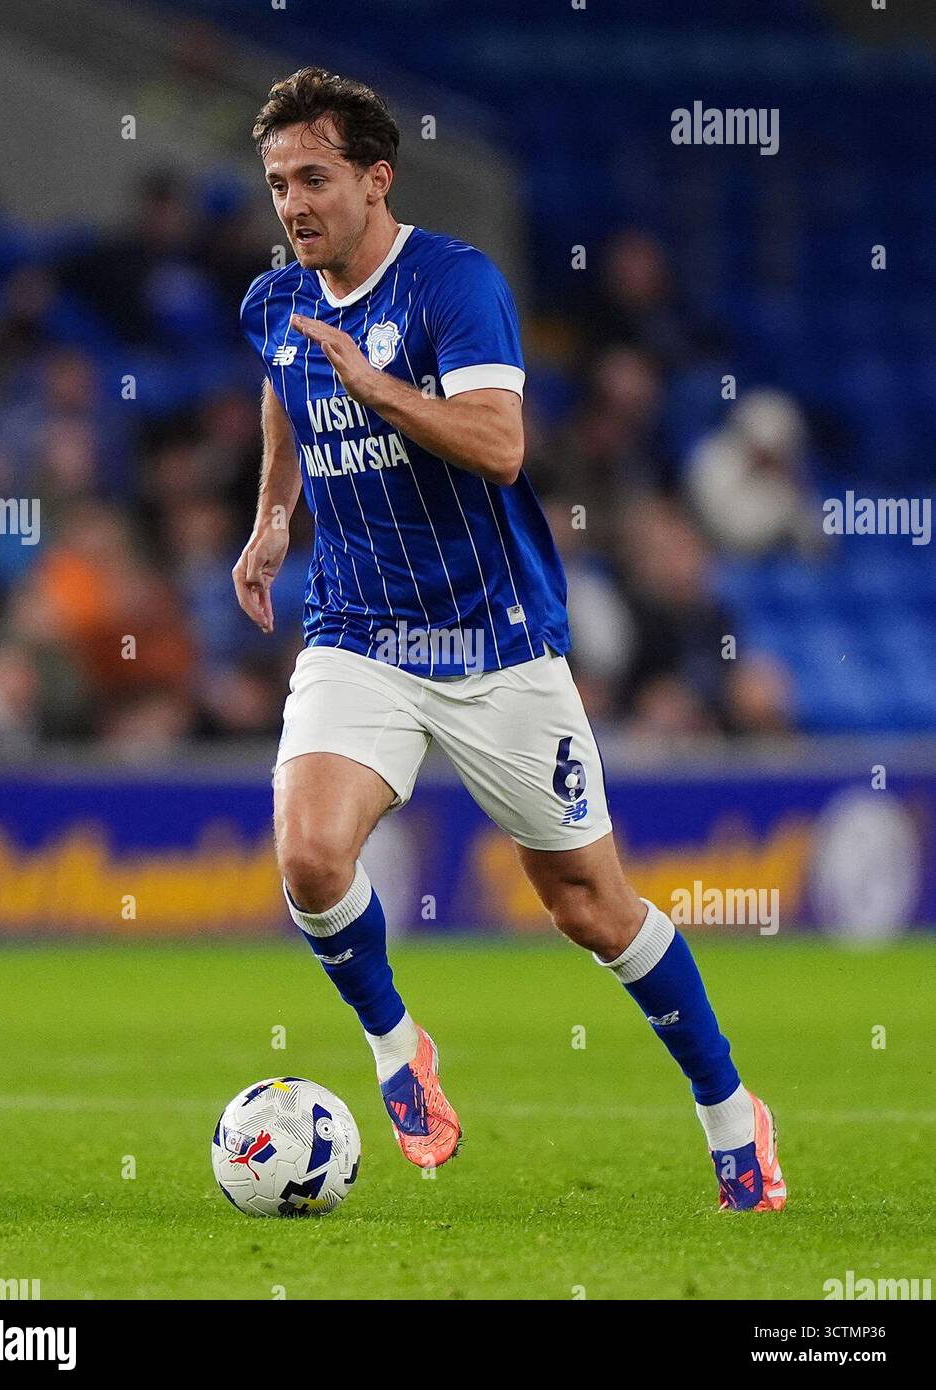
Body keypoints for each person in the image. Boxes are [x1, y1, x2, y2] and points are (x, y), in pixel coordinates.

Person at [232, 66, 785, 1212]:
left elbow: (497, 443)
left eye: (315, 177)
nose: (294, 201)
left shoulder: (455, 284)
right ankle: (397, 1051)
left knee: (591, 906)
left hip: (495, 645)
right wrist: (273, 517)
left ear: (376, 178)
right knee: (308, 856)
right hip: (358, 631)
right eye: (279, 180)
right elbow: (285, 389)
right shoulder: (278, 300)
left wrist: (376, 385)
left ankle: (732, 1114)